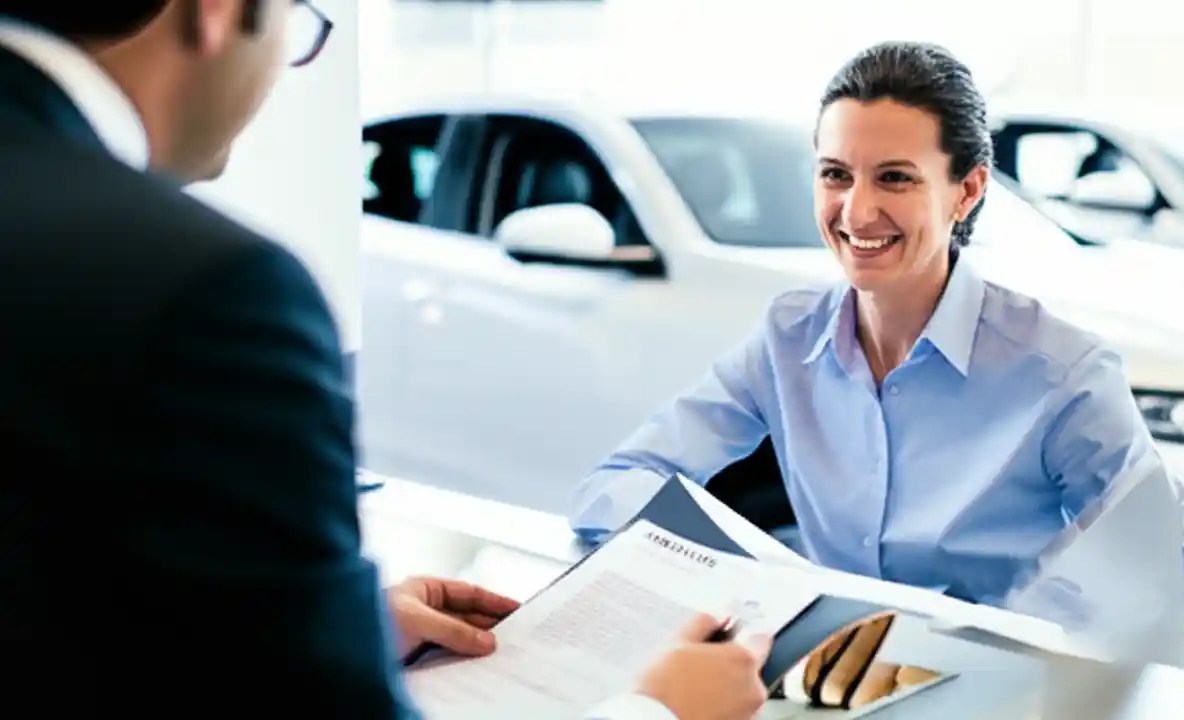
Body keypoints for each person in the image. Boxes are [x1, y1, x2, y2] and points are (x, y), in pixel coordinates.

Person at [0, 2, 771, 718]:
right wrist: (660, 711)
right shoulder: (204, 287)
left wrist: (322, 623)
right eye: (299, 22)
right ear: (218, 10)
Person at [569, 40, 1184, 677]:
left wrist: (1008, 653)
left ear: (967, 191)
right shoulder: (787, 336)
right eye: (836, 174)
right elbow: (616, 486)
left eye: (895, 178)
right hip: (828, 687)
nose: (856, 211)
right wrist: (753, 585)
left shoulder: (1062, 375)